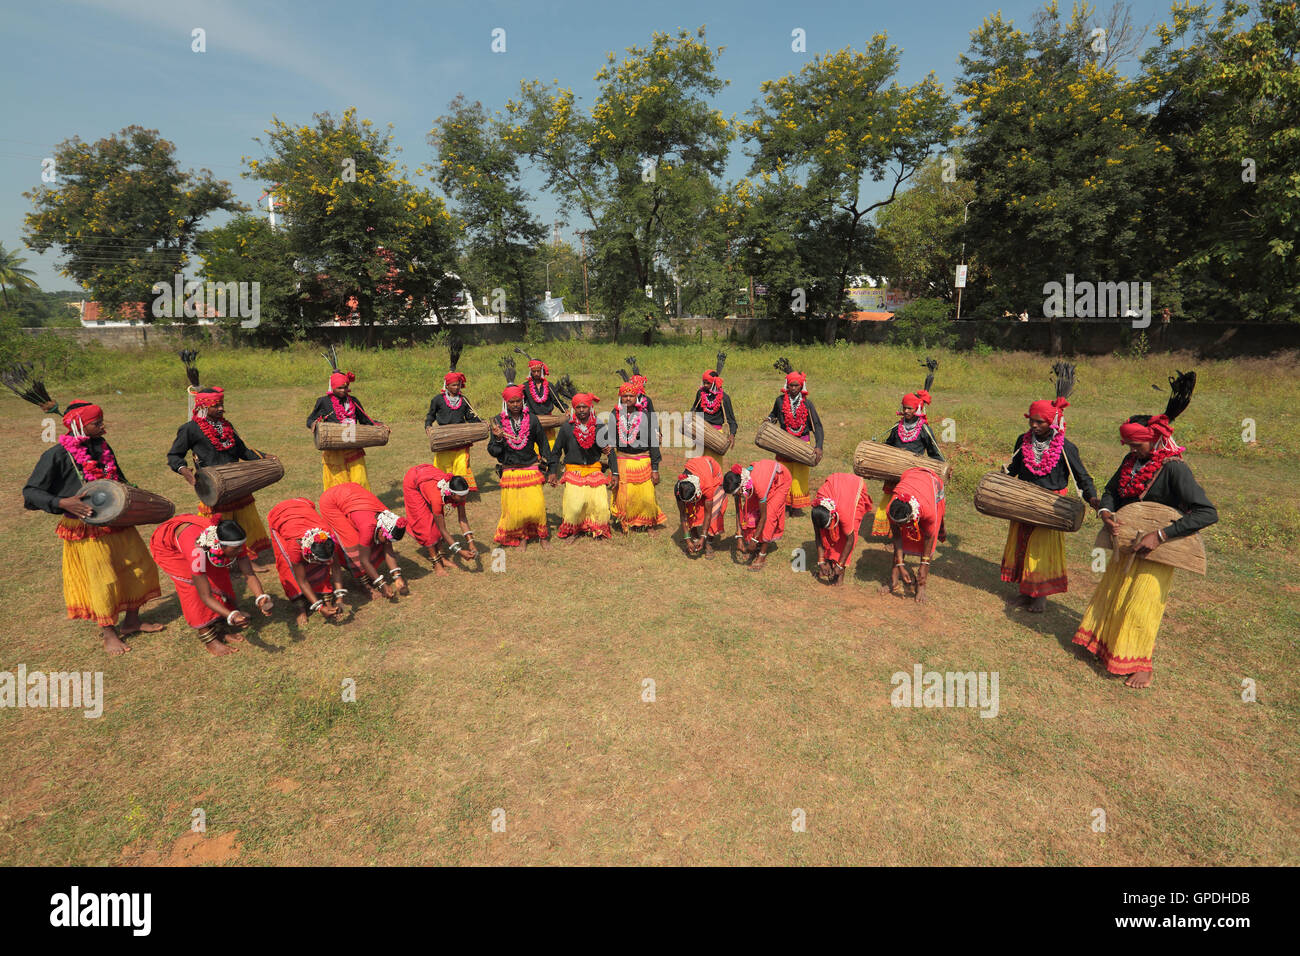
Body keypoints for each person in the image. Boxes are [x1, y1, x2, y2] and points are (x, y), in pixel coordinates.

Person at [1073, 373, 1217, 688]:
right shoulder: (1131, 461)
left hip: (1159, 550)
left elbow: (1207, 512)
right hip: (1127, 542)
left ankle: (1143, 665)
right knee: (1116, 594)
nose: (1131, 449)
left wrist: (1160, 535)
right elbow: (1111, 490)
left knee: (1143, 603)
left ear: (1154, 439)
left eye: (1136, 444)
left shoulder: (1175, 469)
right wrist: (1107, 512)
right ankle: (1109, 648)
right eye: (1128, 444)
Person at [23, 401, 163, 656]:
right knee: (104, 580)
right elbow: (31, 493)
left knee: (140, 567)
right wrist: (62, 502)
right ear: (78, 424)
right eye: (97, 423)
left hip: (117, 520)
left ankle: (132, 621)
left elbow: (117, 478)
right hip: (84, 527)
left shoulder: (102, 446)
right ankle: (109, 633)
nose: (103, 426)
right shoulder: (55, 455)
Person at [1002, 394, 1099, 612]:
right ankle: (1024, 592)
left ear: (1053, 422)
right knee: (1022, 544)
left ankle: (1040, 596)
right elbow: (1016, 468)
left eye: (1040, 422)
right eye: (1031, 421)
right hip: (1024, 499)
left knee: (1041, 549)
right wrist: (1003, 479)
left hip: (1051, 505)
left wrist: (1092, 498)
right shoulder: (1023, 441)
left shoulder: (1066, 447)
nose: (1034, 426)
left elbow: (1081, 476)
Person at [167, 385, 273, 566]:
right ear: (202, 406)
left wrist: (264, 457)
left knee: (241, 520)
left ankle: (245, 558)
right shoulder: (189, 429)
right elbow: (174, 455)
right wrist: (185, 472)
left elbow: (243, 451)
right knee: (220, 524)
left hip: (237, 482)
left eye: (222, 404)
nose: (222, 409)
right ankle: (222, 558)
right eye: (216, 405)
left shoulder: (226, 425)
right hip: (213, 487)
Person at [149, 515, 273, 656]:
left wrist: (261, 597)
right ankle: (209, 639)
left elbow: (249, 573)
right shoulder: (196, 551)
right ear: (219, 545)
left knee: (220, 580)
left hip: (205, 547)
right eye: (237, 549)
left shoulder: (234, 542)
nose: (241, 551)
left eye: (241, 547)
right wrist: (232, 615)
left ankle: (220, 629)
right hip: (172, 551)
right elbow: (205, 596)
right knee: (193, 590)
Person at [871, 388, 945, 537]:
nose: (906, 411)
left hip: (912, 477)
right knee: (891, 502)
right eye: (904, 407)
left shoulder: (924, 429)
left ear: (917, 409)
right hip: (894, 474)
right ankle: (892, 532)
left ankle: (905, 534)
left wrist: (939, 469)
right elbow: (889, 446)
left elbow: (934, 453)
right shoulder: (896, 427)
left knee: (907, 505)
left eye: (909, 408)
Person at [319, 481, 409, 597]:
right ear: (381, 530)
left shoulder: (388, 521)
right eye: (387, 539)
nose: (387, 542)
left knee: (368, 541)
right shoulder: (368, 527)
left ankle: (370, 575)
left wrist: (398, 577)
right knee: (352, 542)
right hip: (331, 502)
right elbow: (363, 559)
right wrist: (381, 584)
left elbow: (388, 547)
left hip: (351, 493)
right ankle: (363, 584)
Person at [487, 385, 551, 547]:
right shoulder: (498, 422)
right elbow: (493, 451)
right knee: (517, 510)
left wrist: (549, 465)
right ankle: (523, 537)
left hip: (530, 467)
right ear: (506, 403)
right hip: (510, 469)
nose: (515, 405)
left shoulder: (532, 419)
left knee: (537, 506)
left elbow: (543, 443)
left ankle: (543, 536)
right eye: (512, 402)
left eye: (518, 401)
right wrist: (499, 439)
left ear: (523, 401)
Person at [266, 498, 347, 625]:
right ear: (309, 554)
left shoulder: (327, 539)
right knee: (287, 567)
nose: (329, 562)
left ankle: (327, 597)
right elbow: (302, 581)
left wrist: (340, 598)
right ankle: (300, 607)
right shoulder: (294, 547)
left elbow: (335, 566)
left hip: (303, 506)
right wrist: (319, 608)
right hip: (279, 516)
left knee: (322, 564)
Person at [306, 365, 384, 492]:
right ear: (332, 388)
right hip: (334, 449)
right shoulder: (323, 402)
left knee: (359, 481)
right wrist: (313, 424)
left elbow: (365, 420)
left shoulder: (353, 401)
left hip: (353, 446)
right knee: (339, 484)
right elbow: (310, 420)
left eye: (345, 387)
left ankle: (362, 506)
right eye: (339, 388)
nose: (343, 390)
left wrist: (379, 425)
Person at [548, 392, 612, 540]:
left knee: (601, 506)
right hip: (573, 470)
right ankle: (574, 530)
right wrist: (552, 471)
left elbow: (610, 451)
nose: (582, 410)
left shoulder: (599, 426)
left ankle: (598, 529)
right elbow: (556, 452)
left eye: (585, 407)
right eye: (578, 407)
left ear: (590, 407)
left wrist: (614, 473)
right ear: (574, 409)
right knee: (575, 507)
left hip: (594, 470)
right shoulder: (566, 428)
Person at [880, 466, 946, 603]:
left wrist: (923, 565)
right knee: (903, 536)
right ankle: (893, 580)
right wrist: (900, 565)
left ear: (911, 516)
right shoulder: (891, 508)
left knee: (927, 542)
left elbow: (929, 537)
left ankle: (921, 585)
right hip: (910, 477)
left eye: (901, 524)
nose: (899, 527)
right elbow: (897, 536)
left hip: (931, 487)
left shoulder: (929, 511)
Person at [608, 381, 665, 531]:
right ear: (620, 397)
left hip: (643, 460)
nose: (628, 399)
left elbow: (653, 443)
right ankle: (625, 521)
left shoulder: (646, 415)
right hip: (623, 460)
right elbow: (611, 444)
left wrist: (655, 468)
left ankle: (649, 523)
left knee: (647, 496)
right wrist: (614, 471)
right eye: (625, 396)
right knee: (625, 497)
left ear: (636, 397)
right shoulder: (614, 415)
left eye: (631, 396)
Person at [766, 367, 823, 511]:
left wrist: (819, 446)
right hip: (784, 442)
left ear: (801, 386)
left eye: (796, 385)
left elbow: (817, 425)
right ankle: (783, 503)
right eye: (791, 385)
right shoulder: (779, 401)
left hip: (802, 444)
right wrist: (769, 419)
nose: (793, 388)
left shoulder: (807, 404)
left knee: (800, 474)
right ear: (787, 385)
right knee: (784, 473)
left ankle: (796, 507)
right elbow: (774, 414)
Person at [402, 464, 475, 572]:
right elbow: (442, 529)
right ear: (452, 494)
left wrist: (471, 544)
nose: (464, 498)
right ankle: (436, 563)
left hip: (427, 474)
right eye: (462, 497)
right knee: (425, 524)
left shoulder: (458, 493)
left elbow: (462, 519)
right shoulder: (437, 498)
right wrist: (459, 551)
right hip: (413, 481)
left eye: (465, 495)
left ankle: (443, 558)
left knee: (435, 520)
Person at [728, 459, 792, 571]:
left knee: (770, 515)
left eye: (736, 493)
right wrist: (739, 537)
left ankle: (762, 554)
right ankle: (754, 546)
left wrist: (755, 540)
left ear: (741, 486)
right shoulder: (737, 480)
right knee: (748, 510)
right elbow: (739, 510)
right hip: (765, 479)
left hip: (781, 481)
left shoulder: (758, 485)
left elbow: (764, 517)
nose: (736, 496)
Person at [811, 473, 874, 586]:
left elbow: (851, 539)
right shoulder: (817, 511)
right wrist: (821, 560)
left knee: (846, 533)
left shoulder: (844, 513)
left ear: (833, 515)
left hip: (853, 490)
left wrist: (840, 565)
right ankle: (830, 562)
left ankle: (840, 572)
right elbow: (818, 535)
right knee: (826, 533)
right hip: (835, 486)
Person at [425, 370, 482, 493]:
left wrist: (481, 423)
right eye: (454, 385)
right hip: (444, 438)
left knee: (461, 464)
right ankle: (444, 490)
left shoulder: (464, 400)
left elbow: (471, 417)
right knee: (444, 465)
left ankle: (459, 490)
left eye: (459, 385)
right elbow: (431, 415)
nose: (457, 387)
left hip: (461, 438)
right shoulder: (438, 400)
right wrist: (428, 426)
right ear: (447, 386)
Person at [674, 454, 728, 558]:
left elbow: (709, 513)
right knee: (690, 509)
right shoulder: (678, 489)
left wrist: (703, 537)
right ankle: (694, 537)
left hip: (713, 476)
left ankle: (708, 541)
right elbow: (683, 515)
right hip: (699, 470)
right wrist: (688, 540)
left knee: (715, 509)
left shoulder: (707, 486)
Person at [688, 354, 737, 465]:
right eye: (704, 382)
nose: (705, 385)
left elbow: (732, 420)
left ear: (714, 382)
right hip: (700, 431)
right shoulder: (700, 394)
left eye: (708, 383)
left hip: (716, 435)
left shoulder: (724, 398)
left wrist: (732, 434)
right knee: (697, 464)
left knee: (713, 465)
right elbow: (694, 408)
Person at [522, 358, 562, 451]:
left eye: (538, 371)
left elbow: (557, 401)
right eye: (534, 371)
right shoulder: (525, 387)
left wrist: (565, 410)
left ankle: (550, 460)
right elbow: (521, 403)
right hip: (533, 419)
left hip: (548, 419)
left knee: (550, 443)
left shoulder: (549, 386)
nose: (536, 373)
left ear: (542, 371)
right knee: (534, 444)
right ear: (530, 372)